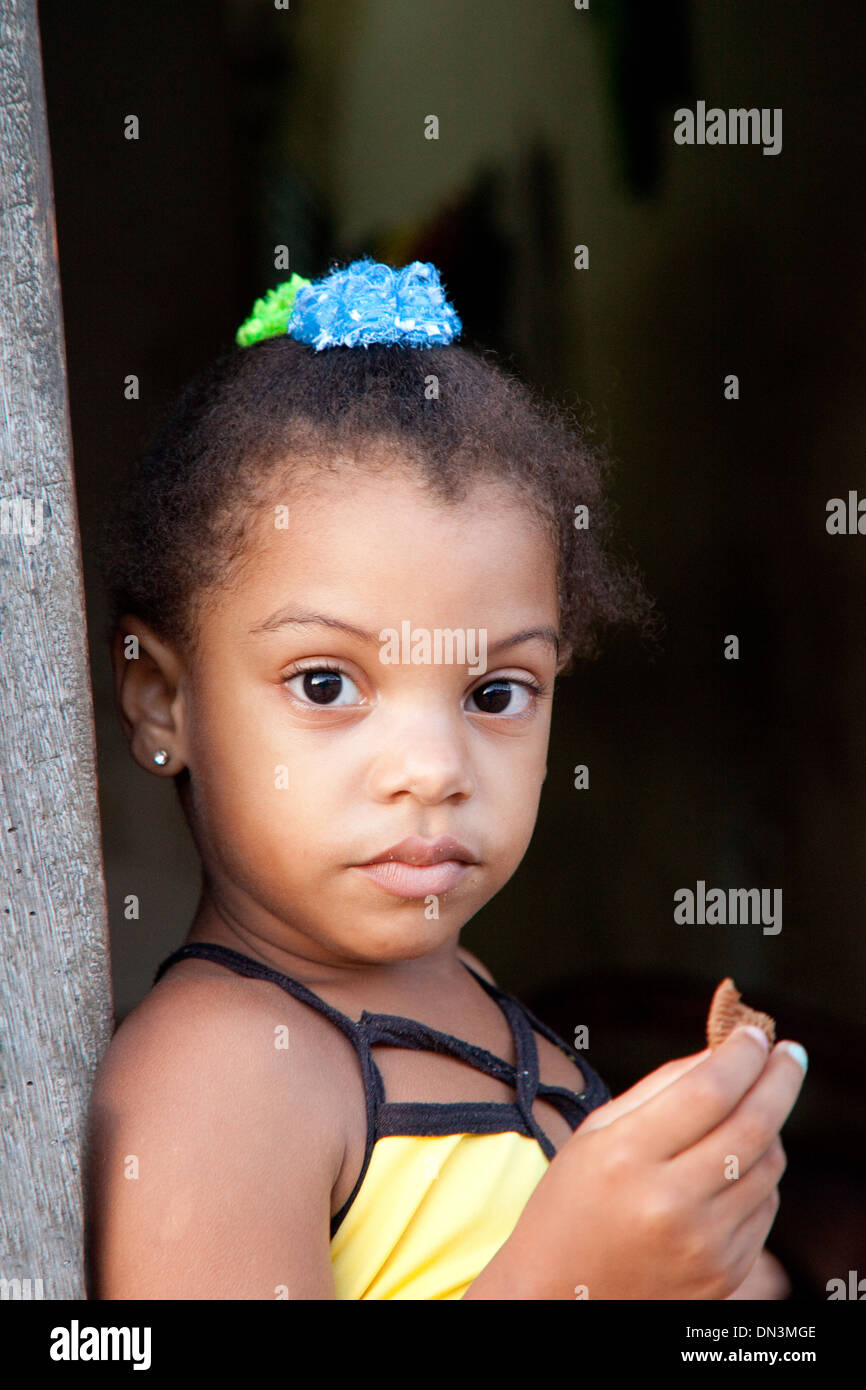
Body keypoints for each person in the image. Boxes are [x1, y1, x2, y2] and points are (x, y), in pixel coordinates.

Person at [85, 257, 806, 1300]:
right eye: (326, 682)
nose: (432, 769)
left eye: (496, 692)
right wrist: (569, 1279)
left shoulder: (485, 1015)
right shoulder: (220, 1081)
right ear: (162, 700)